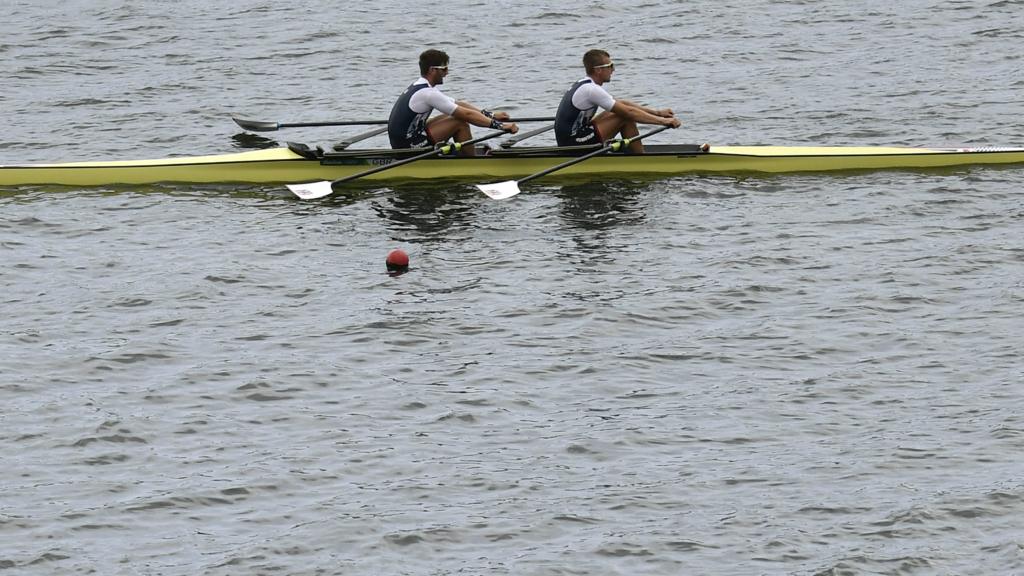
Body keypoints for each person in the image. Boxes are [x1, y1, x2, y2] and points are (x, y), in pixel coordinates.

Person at [388, 49, 518, 156]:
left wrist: (491, 115)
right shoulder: (427, 93)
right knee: (460, 121)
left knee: (454, 114)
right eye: (444, 69)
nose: (447, 73)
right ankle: (472, 163)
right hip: (408, 147)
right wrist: (500, 126)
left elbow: (459, 104)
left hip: (407, 139)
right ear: (432, 70)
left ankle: (464, 154)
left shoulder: (421, 86)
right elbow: (466, 115)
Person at [554, 49, 680, 154]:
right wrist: (664, 122)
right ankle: (641, 158)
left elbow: (623, 104)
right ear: (598, 70)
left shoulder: (586, 84)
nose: (613, 70)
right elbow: (629, 112)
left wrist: (657, 113)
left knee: (621, 108)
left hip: (576, 136)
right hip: (573, 144)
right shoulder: (591, 90)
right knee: (625, 117)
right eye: (610, 66)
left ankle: (636, 153)